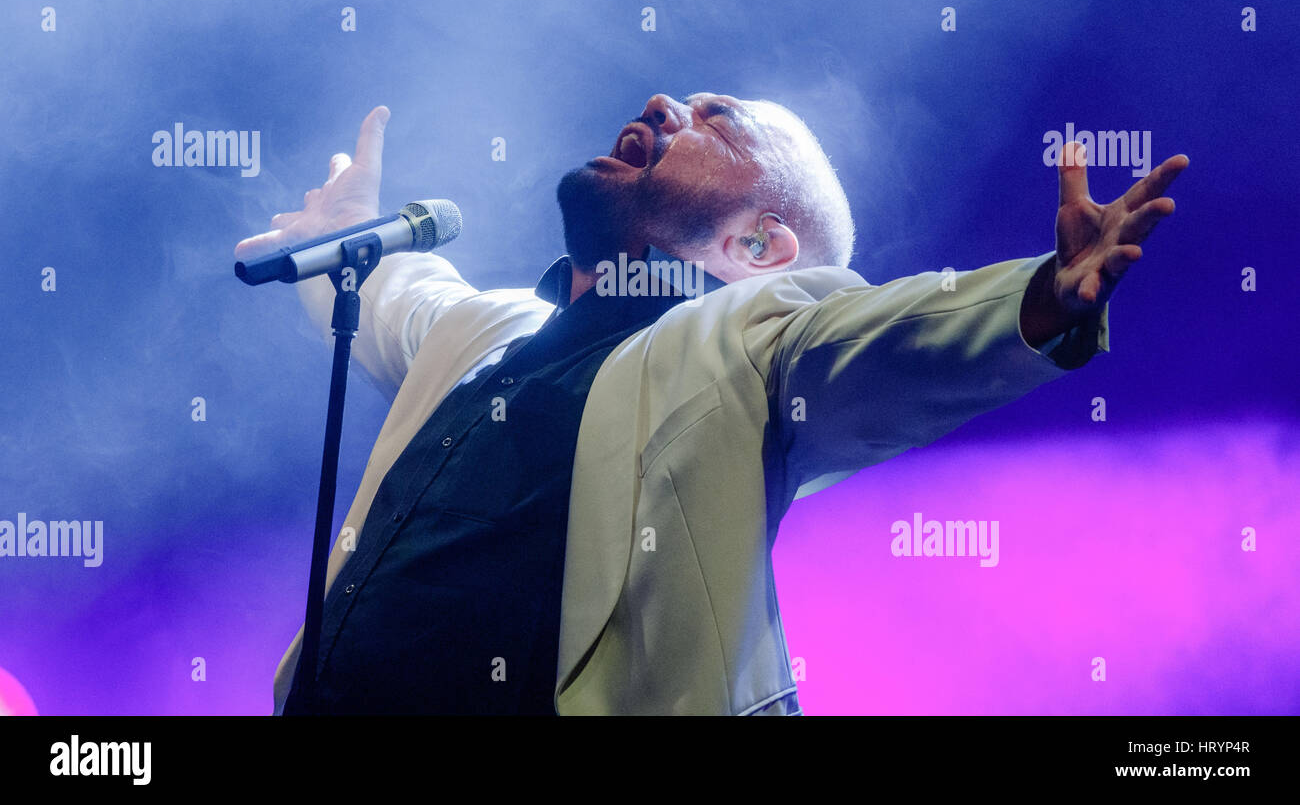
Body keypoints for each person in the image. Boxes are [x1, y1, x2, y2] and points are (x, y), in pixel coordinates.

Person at [235, 94, 1186, 715]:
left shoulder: (744, 343)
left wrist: (1041, 295)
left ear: (762, 249)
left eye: (716, 120)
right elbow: (398, 295)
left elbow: (883, 339)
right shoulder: (490, 331)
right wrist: (340, 236)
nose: (661, 104)